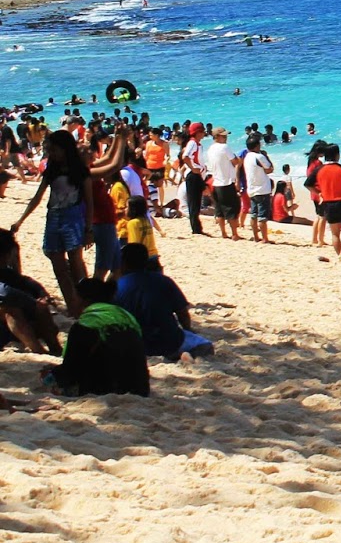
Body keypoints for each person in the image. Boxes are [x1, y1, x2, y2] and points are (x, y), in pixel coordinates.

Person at [7, 129, 93, 316]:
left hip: (73, 219)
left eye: (54, 149)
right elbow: (37, 197)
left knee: (76, 265)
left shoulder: (80, 171)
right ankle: (72, 306)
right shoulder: (51, 171)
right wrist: (20, 220)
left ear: (65, 149)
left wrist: (89, 228)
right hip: (53, 218)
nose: (51, 153)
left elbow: (89, 201)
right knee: (57, 264)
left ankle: (84, 305)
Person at [45, 278, 149, 397]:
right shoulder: (128, 317)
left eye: (75, 298)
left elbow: (71, 369)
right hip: (140, 388)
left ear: (85, 301)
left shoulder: (84, 325)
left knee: (49, 376)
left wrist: (52, 373)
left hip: (104, 390)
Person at [113, 243, 211, 361]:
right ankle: (182, 354)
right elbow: (182, 313)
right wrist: (188, 329)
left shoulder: (116, 287)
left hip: (135, 345)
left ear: (123, 263)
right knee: (205, 345)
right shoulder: (164, 281)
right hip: (169, 342)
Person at [203, 127, 241, 241]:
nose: (226, 138)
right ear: (217, 137)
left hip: (216, 182)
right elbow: (235, 162)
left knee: (219, 210)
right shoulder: (224, 147)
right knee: (232, 208)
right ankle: (234, 234)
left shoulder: (210, 149)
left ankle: (223, 233)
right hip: (226, 182)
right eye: (223, 136)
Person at [241, 134, 275, 244]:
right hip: (262, 189)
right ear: (256, 146)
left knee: (254, 215)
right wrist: (266, 156)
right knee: (262, 216)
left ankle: (256, 236)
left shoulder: (247, 157)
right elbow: (269, 169)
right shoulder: (259, 156)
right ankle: (265, 238)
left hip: (251, 189)